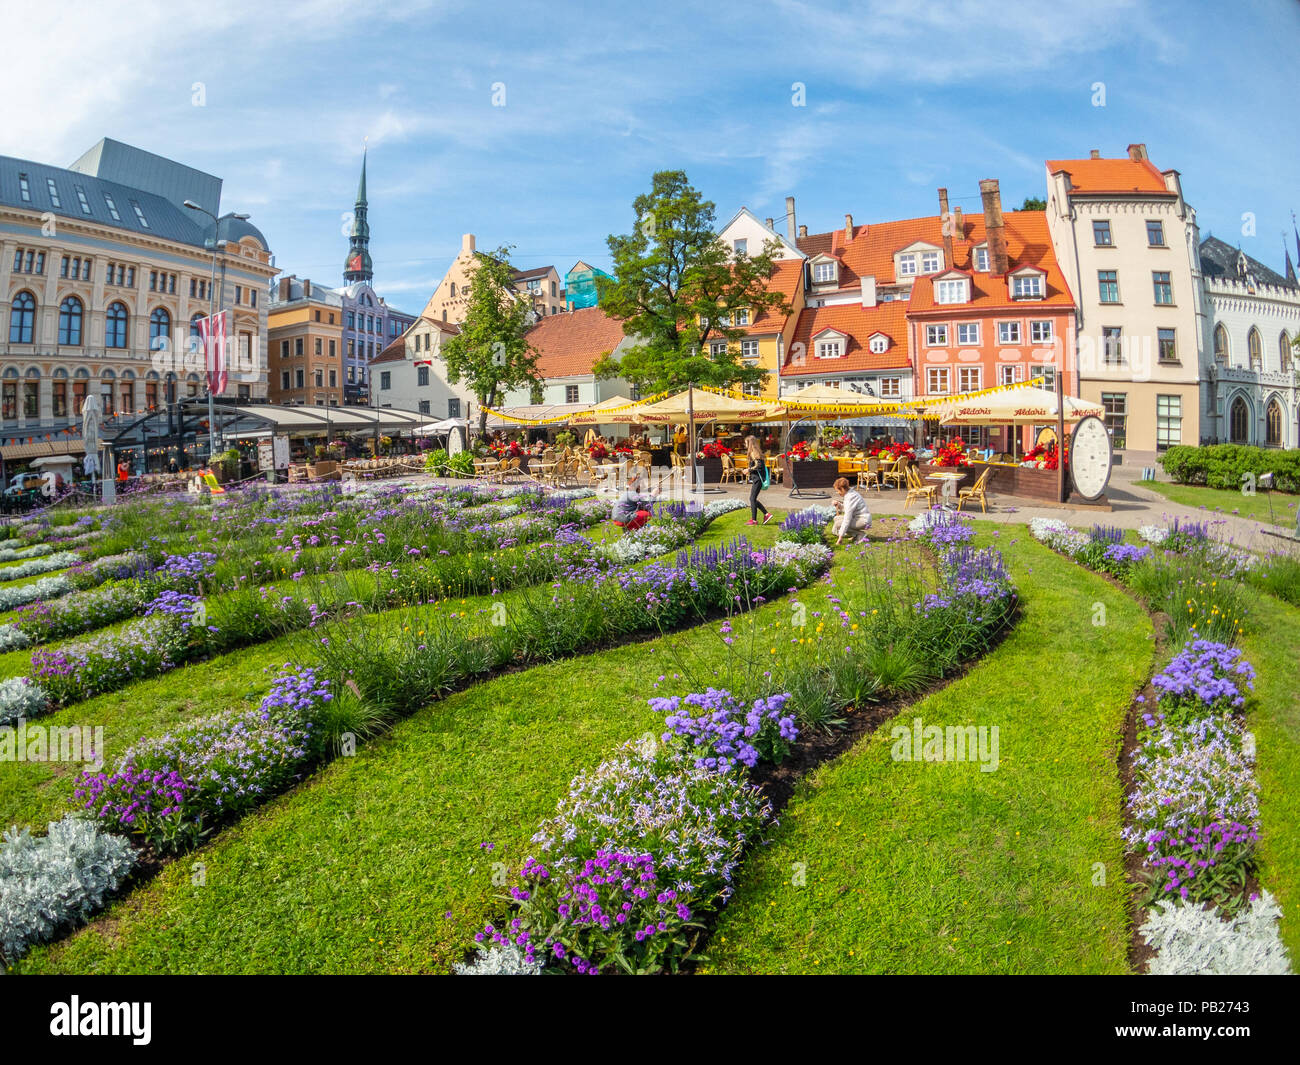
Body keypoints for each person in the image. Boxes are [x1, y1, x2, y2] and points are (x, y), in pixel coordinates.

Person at [611, 469, 657, 533]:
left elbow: (642, 504)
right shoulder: (634, 494)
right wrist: (653, 495)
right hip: (623, 520)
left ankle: (635, 528)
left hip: (616, 519)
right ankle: (632, 529)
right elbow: (647, 506)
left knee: (642, 513)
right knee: (648, 514)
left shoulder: (629, 492)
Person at [743, 435, 772, 526]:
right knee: (753, 499)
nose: (745, 445)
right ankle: (766, 515)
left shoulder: (754, 452)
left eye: (746, 443)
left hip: (758, 479)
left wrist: (749, 470)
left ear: (749, 443)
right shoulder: (755, 452)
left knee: (752, 498)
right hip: (757, 479)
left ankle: (755, 520)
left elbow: (759, 465)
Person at [833, 476, 871, 545]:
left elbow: (847, 518)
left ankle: (861, 535)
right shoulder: (850, 494)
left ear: (842, 489)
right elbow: (848, 509)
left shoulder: (850, 497)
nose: (837, 493)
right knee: (836, 518)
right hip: (858, 518)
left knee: (838, 524)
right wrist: (839, 505)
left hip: (863, 520)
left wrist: (840, 537)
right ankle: (855, 535)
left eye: (837, 491)